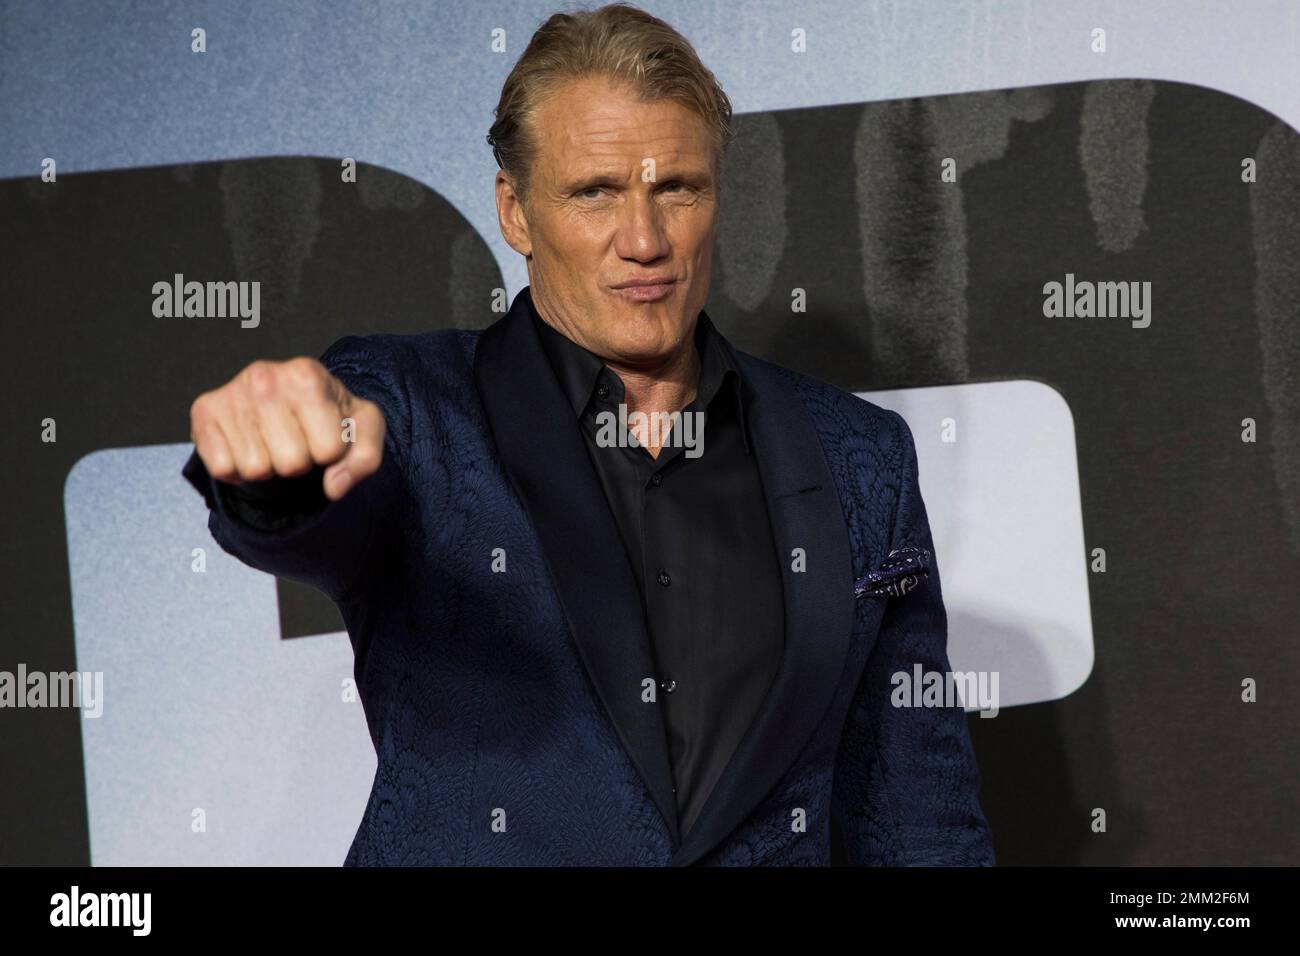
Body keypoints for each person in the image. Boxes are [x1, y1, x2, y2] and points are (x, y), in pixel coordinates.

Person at [183, 2, 994, 866]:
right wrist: (274, 464)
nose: (643, 240)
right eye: (595, 192)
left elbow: (916, 814)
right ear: (516, 211)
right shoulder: (416, 412)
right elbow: (316, 496)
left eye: (676, 188)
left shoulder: (858, 454)